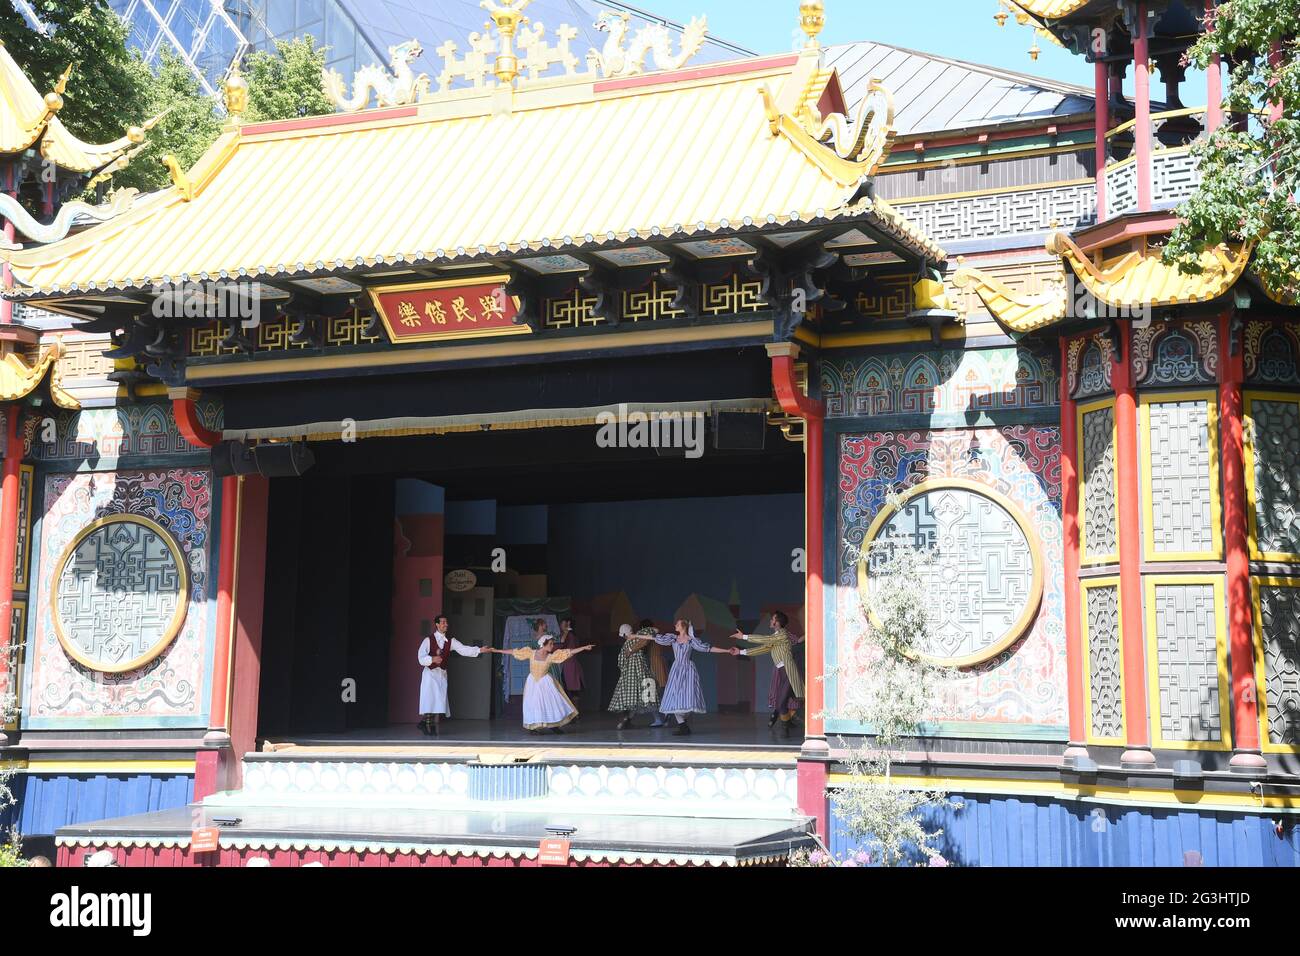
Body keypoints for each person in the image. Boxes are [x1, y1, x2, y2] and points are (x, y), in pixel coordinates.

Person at [487, 635, 593, 734]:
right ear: (544, 644)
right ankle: (534, 727)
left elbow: (568, 652)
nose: (553, 646)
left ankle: (553, 725)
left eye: (553, 644)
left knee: (550, 703)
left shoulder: (551, 656)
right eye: (550, 644)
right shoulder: (531, 653)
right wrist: (496, 650)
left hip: (545, 682)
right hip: (533, 682)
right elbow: (514, 652)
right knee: (533, 704)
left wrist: (583, 648)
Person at [648, 619, 732, 736]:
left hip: (688, 670)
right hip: (676, 670)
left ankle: (683, 724)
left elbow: (708, 648)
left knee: (688, 697)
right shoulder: (673, 638)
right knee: (674, 697)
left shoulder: (691, 641)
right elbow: (655, 638)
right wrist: (634, 636)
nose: (675, 625)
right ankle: (683, 726)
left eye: (677, 624)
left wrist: (727, 651)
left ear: (683, 626)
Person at [731, 612, 805, 738]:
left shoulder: (782, 634)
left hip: (788, 672)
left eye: (772, 619)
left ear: (777, 622)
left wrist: (744, 637)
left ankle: (789, 727)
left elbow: (766, 639)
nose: (770, 621)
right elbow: (763, 648)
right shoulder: (776, 636)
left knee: (782, 703)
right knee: (781, 703)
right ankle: (789, 725)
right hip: (782, 673)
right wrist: (741, 652)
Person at [417, 615, 488, 736]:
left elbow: (464, 649)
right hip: (430, 674)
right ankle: (429, 726)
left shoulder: (451, 642)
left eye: (446, 622)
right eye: (443, 622)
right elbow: (420, 658)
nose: (446, 624)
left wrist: (479, 650)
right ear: (437, 625)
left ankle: (425, 723)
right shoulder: (428, 640)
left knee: (438, 701)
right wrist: (432, 659)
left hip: (441, 675)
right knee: (430, 700)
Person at [608, 623, 659, 730]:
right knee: (645, 695)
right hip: (638, 673)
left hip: (631, 675)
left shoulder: (635, 639)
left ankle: (627, 720)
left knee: (639, 697)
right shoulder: (630, 642)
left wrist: (632, 649)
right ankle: (655, 719)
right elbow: (654, 632)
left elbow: (621, 663)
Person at [557, 617, 585, 715]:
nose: (561, 626)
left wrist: (567, 630)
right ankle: (573, 713)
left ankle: (575, 714)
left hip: (571, 666)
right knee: (571, 691)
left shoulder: (570, 635)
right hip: (569, 666)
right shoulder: (570, 634)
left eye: (563, 624)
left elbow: (561, 643)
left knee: (573, 691)